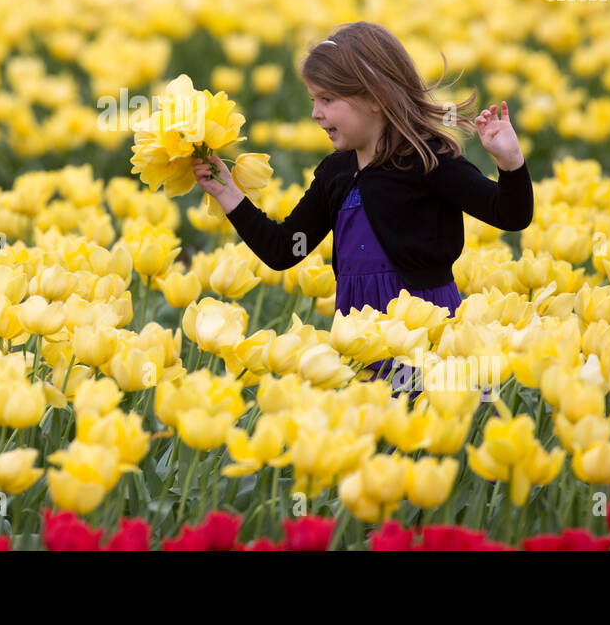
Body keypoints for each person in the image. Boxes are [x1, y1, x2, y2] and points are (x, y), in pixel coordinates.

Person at [192, 21, 533, 399]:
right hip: (357, 338)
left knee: (425, 432)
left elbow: (510, 216)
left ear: (374, 96)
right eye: (313, 101)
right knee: (371, 441)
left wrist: (510, 163)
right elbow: (286, 249)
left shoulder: (428, 160)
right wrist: (228, 194)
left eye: (327, 100)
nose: (316, 114)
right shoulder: (335, 174)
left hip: (424, 332)